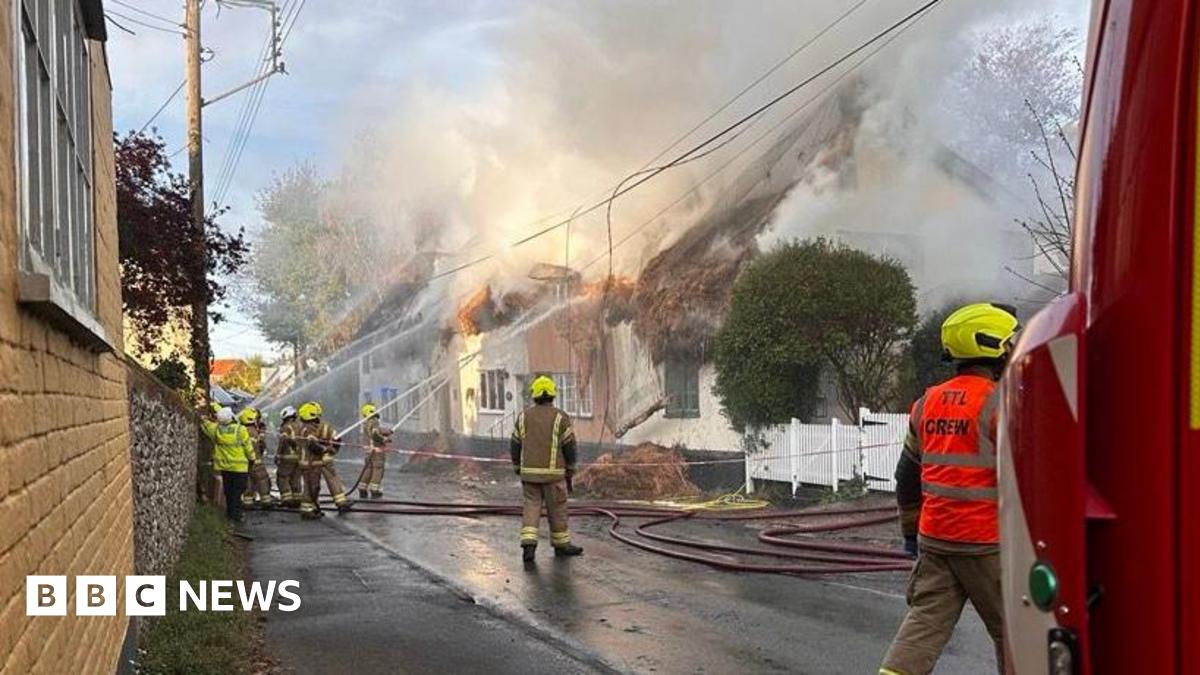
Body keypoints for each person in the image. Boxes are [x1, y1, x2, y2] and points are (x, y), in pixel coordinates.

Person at [879, 303, 1019, 675]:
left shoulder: (927, 403)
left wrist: (911, 535)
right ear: (994, 348)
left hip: (935, 540)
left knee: (922, 629)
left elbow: (906, 476)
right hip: (986, 545)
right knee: (1017, 636)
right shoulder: (1003, 404)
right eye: (1010, 343)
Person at [510, 375, 583, 562]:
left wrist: (518, 466)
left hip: (530, 476)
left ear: (534, 395)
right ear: (552, 395)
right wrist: (571, 467)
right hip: (554, 476)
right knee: (557, 508)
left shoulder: (523, 416)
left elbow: (515, 444)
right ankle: (561, 545)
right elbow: (570, 446)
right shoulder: (560, 417)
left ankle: (528, 546)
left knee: (531, 508)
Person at [200, 406, 257, 525]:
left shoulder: (216, 430)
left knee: (229, 492)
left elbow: (205, 425)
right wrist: (252, 459)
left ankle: (230, 515)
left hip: (225, 467)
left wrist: (203, 418)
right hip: (240, 468)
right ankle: (236, 515)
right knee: (238, 492)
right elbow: (248, 447)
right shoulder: (240, 430)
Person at [297, 401, 350, 519]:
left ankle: (312, 507)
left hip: (312, 462)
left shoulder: (305, 428)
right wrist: (328, 450)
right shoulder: (310, 429)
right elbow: (313, 445)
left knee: (313, 486)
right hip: (312, 462)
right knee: (312, 486)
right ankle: (308, 509)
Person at [239, 408, 275, 509]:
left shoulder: (240, 431)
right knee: (262, 480)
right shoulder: (254, 432)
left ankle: (248, 502)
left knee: (248, 481)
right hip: (256, 462)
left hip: (244, 463)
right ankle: (266, 500)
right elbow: (261, 446)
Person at [359, 403, 393, 499]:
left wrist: (387, 432)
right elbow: (375, 434)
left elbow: (375, 432)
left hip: (368, 451)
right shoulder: (374, 421)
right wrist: (384, 440)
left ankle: (362, 488)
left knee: (368, 469)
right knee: (378, 469)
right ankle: (375, 490)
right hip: (376, 451)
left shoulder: (367, 422)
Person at [274, 406, 303, 506]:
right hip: (299, 457)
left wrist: (278, 454)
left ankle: (287, 500)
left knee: (282, 478)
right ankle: (297, 499)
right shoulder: (300, 426)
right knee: (295, 479)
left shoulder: (286, 427)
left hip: (287, 457)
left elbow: (283, 441)